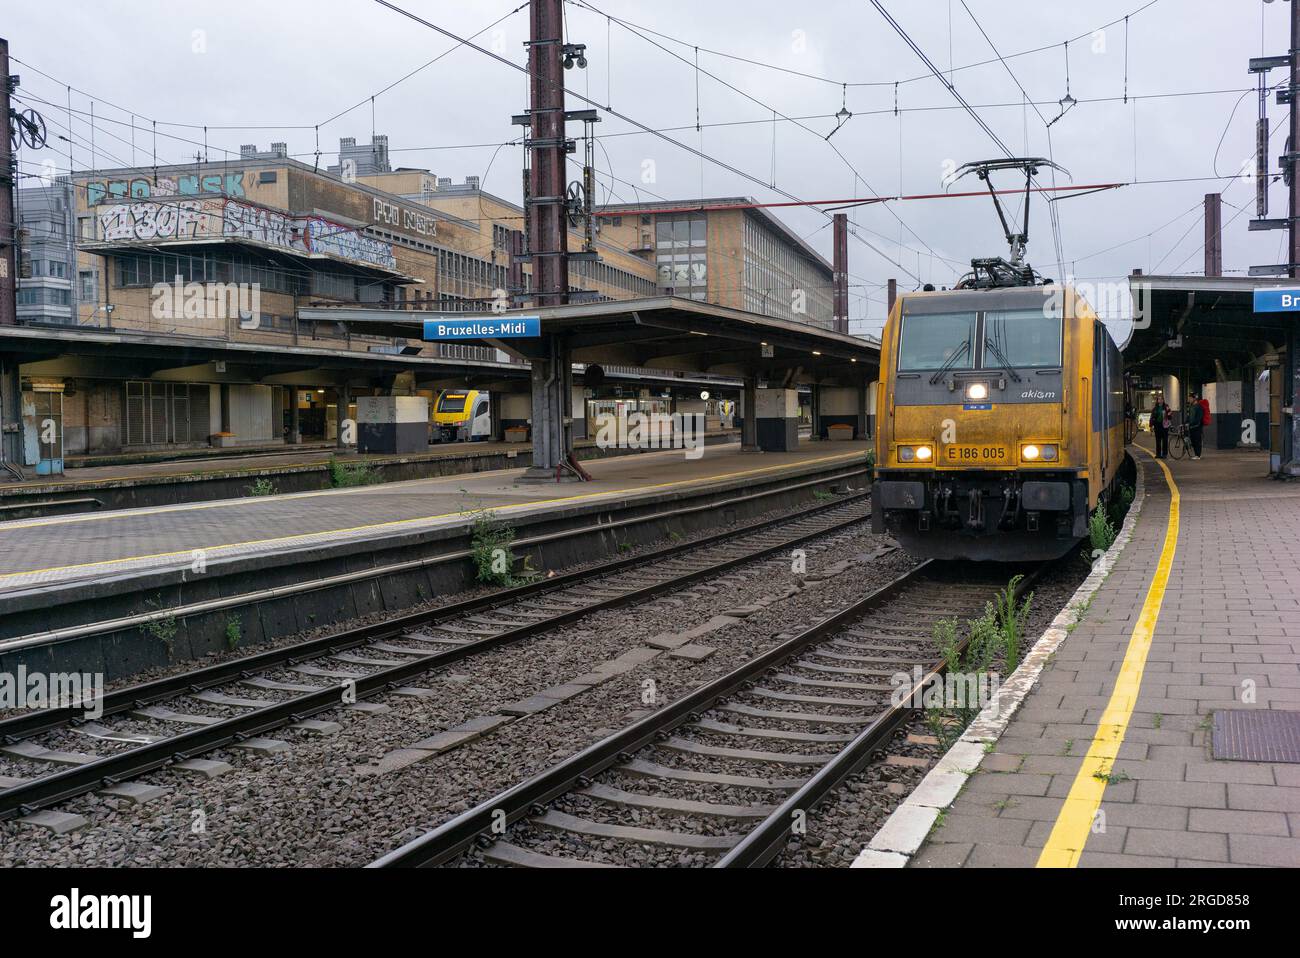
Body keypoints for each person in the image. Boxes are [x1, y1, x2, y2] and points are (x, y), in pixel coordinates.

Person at [1187, 392, 1205, 460]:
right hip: (1191, 427)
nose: (1189, 399)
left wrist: (1192, 423)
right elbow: (1189, 416)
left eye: (1190, 398)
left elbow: (1199, 418)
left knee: (1197, 441)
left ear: (1194, 398)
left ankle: (1198, 455)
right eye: (1189, 398)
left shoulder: (1199, 406)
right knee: (1193, 441)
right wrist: (1185, 422)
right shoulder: (1191, 406)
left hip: (1197, 427)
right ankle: (1196, 455)